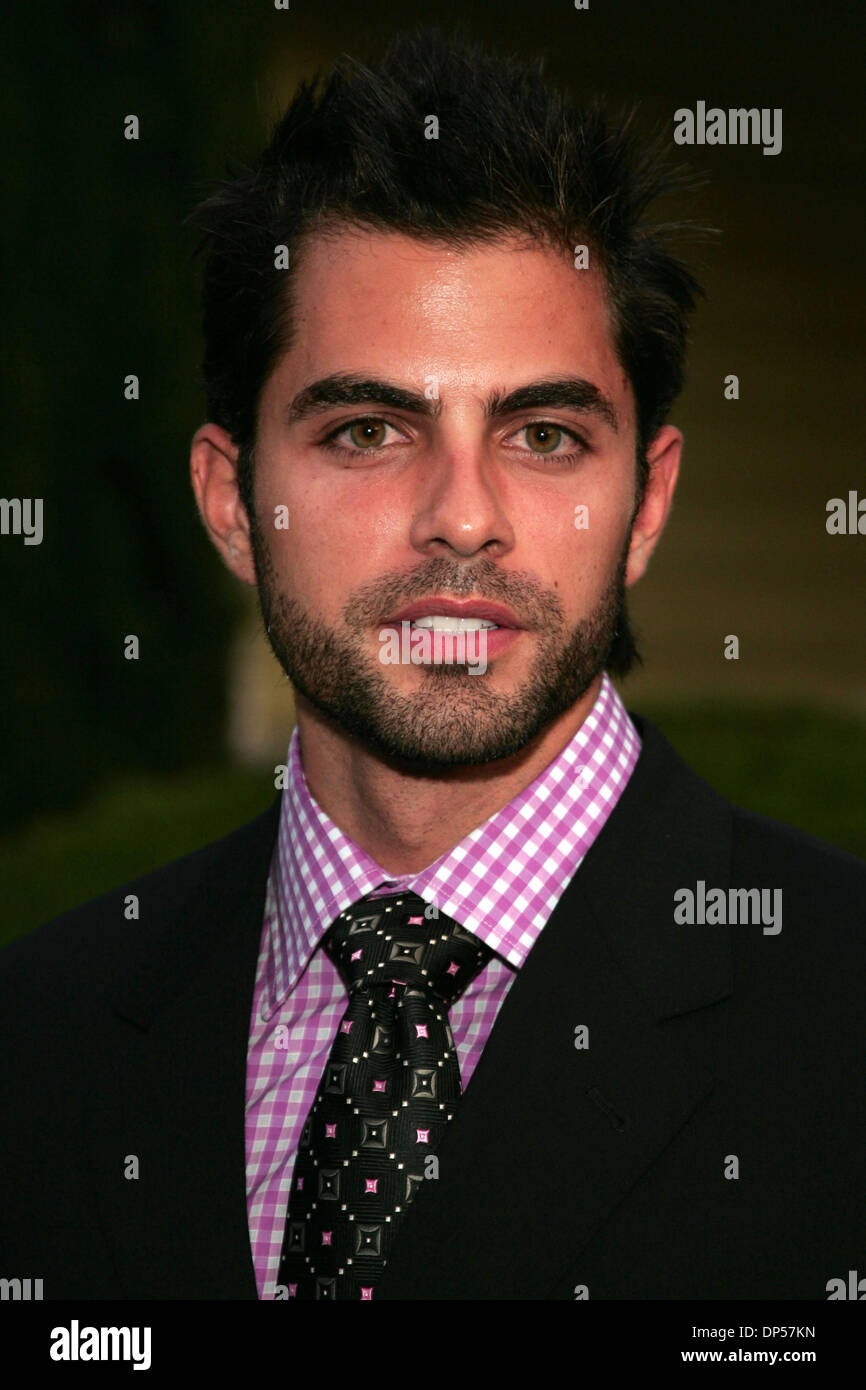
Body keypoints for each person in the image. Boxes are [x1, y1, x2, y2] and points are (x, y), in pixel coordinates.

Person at [1, 27, 863, 1303]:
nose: (463, 514)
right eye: (366, 428)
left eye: (545, 433)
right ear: (232, 500)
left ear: (649, 501)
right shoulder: (35, 1037)